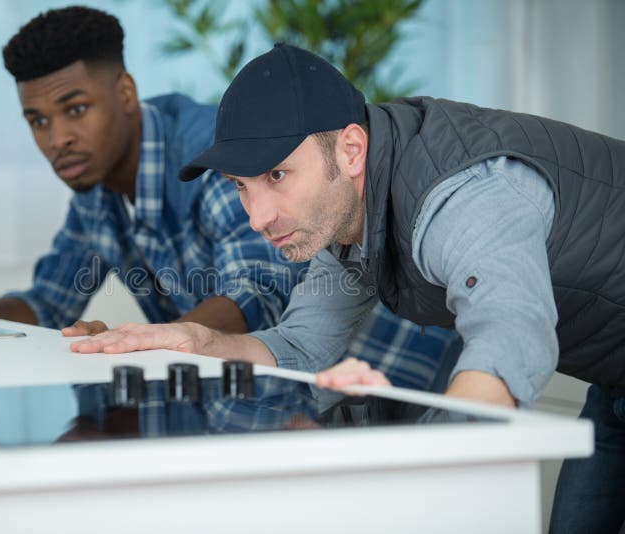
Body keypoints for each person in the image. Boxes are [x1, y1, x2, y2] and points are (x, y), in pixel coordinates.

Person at [69, 43, 625, 532]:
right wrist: (201, 341)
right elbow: (306, 343)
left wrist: (404, 484)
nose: (258, 215)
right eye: (242, 186)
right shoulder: (347, 215)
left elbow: (512, 336)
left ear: (351, 150)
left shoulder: (462, 194)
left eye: (277, 175)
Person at [0, 7, 457, 392]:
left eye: (75, 109)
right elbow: (50, 302)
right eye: (37, 120)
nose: (57, 137)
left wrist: (162, 340)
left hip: (389, 367)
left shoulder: (208, 157)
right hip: (289, 379)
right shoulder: (96, 186)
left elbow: (257, 288)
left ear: (126, 94)